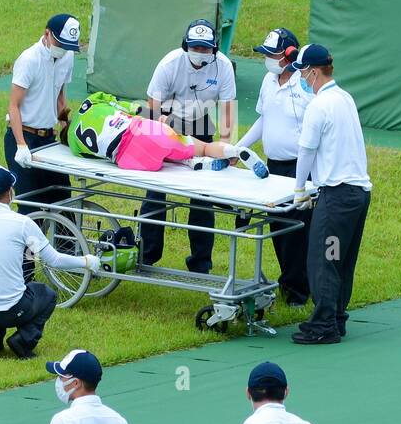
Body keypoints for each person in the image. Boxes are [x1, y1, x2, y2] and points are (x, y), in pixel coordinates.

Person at [0, 166, 99, 360]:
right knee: (45, 294)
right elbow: (54, 260)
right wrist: (86, 261)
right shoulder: (22, 223)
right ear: (9, 192)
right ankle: (22, 340)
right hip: (13, 310)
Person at [288, 44, 372, 345]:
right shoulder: (344, 98)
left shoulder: (319, 106)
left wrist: (299, 190)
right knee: (341, 260)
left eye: (301, 72)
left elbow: (306, 152)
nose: (300, 78)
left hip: (337, 197)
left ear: (312, 71)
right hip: (357, 195)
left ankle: (323, 324)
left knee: (323, 260)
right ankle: (336, 318)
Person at [140, 19, 238, 274]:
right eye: (196, 47)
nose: (201, 53)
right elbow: (151, 106)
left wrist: (226, 147)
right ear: (186, 46)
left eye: (206, 49)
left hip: (201, 122)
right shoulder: (170, 64)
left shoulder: (224, 67)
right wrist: (158, 135)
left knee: (202, 195)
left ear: (214, 49)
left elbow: (228, 109)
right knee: (155, 190)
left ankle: (201, 262)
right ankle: (147, 255)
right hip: (166, 123)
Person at [237, 28, 312, 306]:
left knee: (296, 231)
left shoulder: (305, 85)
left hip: (300, 168)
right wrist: (239, 149)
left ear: (291, 54)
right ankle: (291, 283)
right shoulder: (269, 80)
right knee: (278, 229)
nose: (268, 59)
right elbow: (263, 120)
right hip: (274, 166)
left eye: (274, 54)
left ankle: (298, 291)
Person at [6, 14, 81, 276]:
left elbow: (60, 92)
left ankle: (68, 262)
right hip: (25, 135)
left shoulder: (67, 56)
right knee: (30, 205)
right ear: (47, 34)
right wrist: (20, 144)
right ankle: (26, 270)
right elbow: (13, 106)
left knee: (61, 196)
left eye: (68, 47)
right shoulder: (29, 59)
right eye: (59, 44)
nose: (63, 51)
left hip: (48, 137)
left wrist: (64, 120)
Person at [64, 91, 268, 175]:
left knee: (162, 158)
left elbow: (97, 158)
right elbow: (133, 108)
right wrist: (162, 120)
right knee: (203, 146)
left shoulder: (75, 145)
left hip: (129, 160)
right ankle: (235, 150)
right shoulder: (92, 100)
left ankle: (193, 163)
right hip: (144, 131)